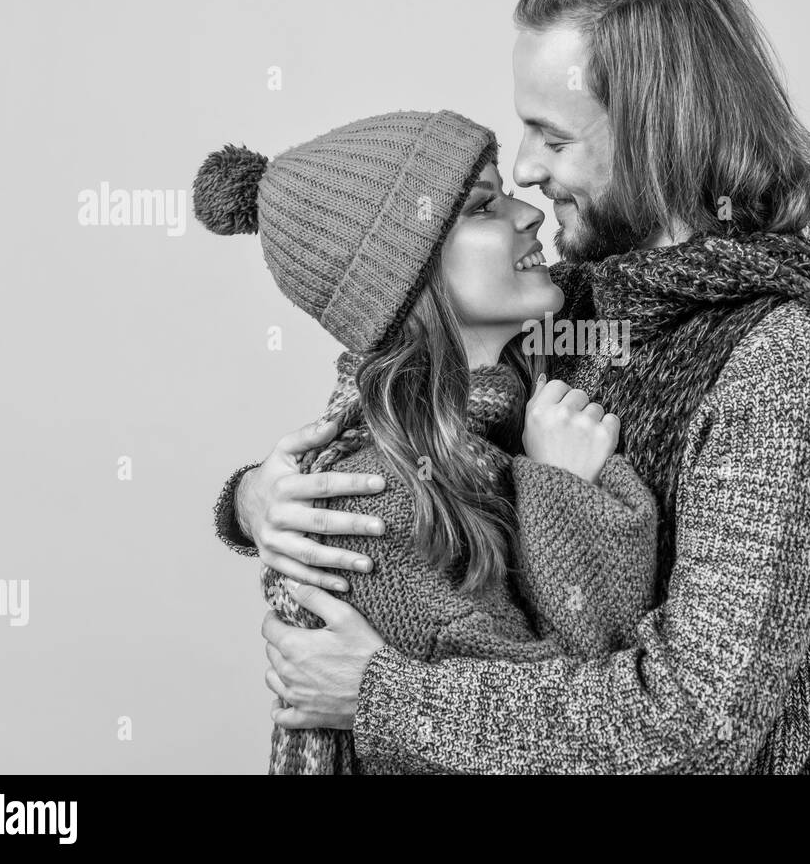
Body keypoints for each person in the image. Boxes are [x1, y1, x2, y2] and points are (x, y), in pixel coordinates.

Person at [215, 0, 810, 774]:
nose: (525, 169)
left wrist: (381, 696)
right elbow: (404, 382)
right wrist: (260, 498)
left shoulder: (779, 369)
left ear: (661, 136)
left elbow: (695, 730)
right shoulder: (564, 307)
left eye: (554, 134)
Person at [194, 109, 659, 773]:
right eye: (482, 205)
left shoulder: (488, 434)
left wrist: (245, 497)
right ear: (410, 279)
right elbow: (585, 738)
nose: (529, 214)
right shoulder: (380, 509)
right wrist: (568, 495)